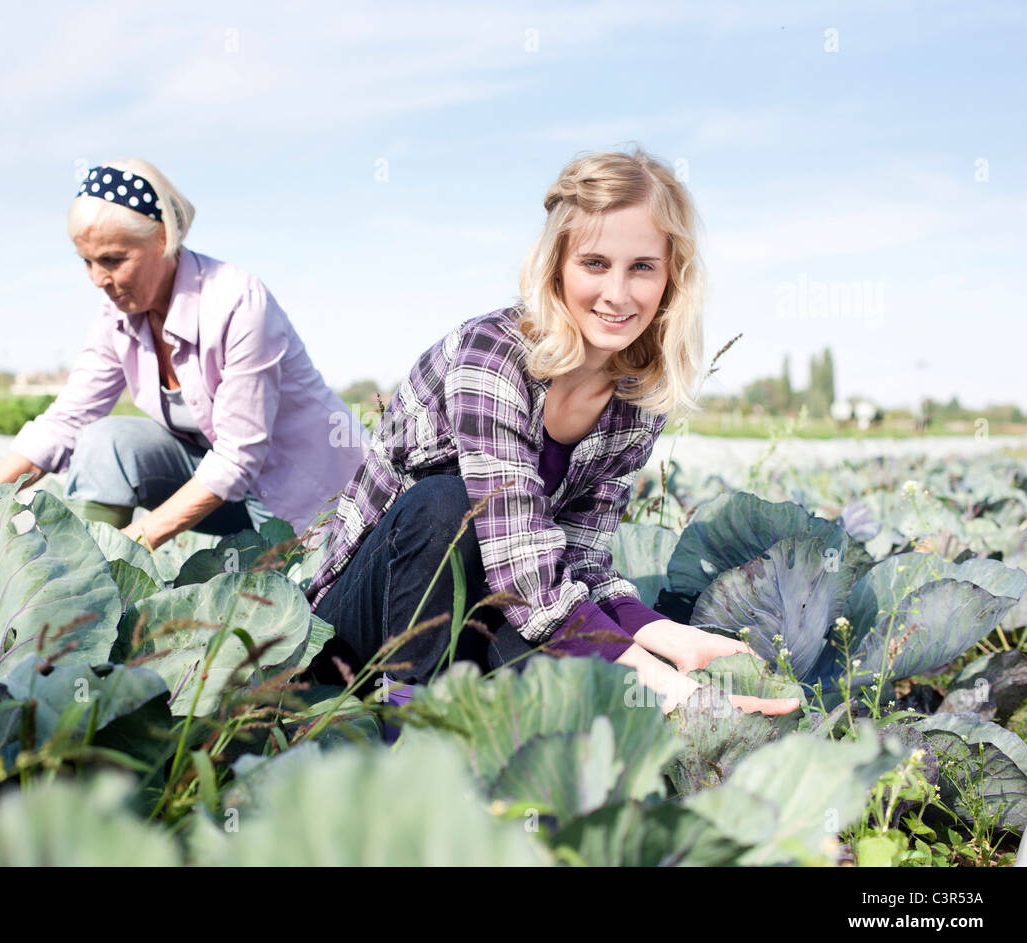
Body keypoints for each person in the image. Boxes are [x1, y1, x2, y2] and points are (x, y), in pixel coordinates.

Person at [306, 148, 801, 717]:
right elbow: (521, 565)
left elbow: (580, 562)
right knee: (447, 505)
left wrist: (663, 635)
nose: (618, 294)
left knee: (580, 682)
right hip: (357, 634)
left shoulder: (635, 399)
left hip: (484, 615)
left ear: (671, 279)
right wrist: (656, 681)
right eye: (594, 263)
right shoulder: (492, 357)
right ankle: (405, 731)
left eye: (642, 266)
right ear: (557, 266)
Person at [0, 158, 366, 551]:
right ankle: (79, 595)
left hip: (307, 492)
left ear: (163, 239)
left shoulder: (236, 301)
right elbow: (64, 424)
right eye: (86, 261)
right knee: (105, 443)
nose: (97, 278)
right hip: (230, 492)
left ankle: (105, 569)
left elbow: (238, 457)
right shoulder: (118, 316)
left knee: (310, 622)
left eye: (112, 260)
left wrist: (137, 541)